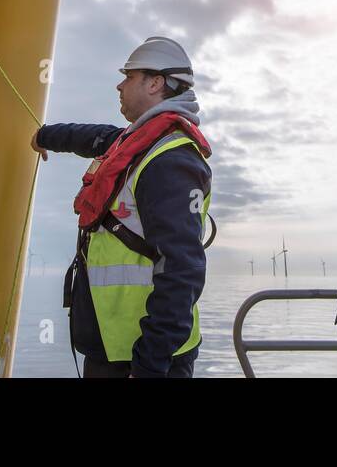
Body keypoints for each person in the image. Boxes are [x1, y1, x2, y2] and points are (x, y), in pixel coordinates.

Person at [32, 36, 213, 378]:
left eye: (129, 76)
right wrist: (45, 136)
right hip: (111, 348)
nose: (119, 84)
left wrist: (150, 364)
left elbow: (182, 271)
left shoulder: (171, 161)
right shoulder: (134, 143)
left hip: (143, 358)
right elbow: (94, 137)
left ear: (155, 82)